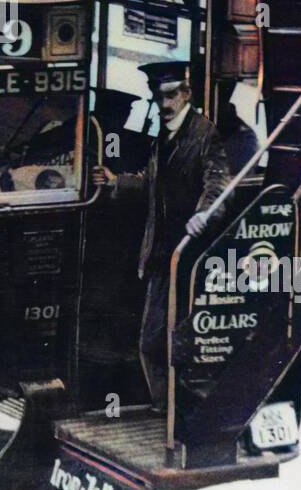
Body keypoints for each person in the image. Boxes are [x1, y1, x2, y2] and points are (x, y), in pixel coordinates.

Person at [93, 59, 230, 409]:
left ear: (186, 94)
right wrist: (116, 182)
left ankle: (171, 410)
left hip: (187, 255)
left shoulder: (203, 133)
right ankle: (165, 408)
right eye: (158, 97)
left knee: (160, 341)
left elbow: (217, 184)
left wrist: (204, 214)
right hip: (161, 252)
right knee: (154, 341)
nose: (164, 105)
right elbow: (152, 184)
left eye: (170, 96)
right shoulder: (165, 136)